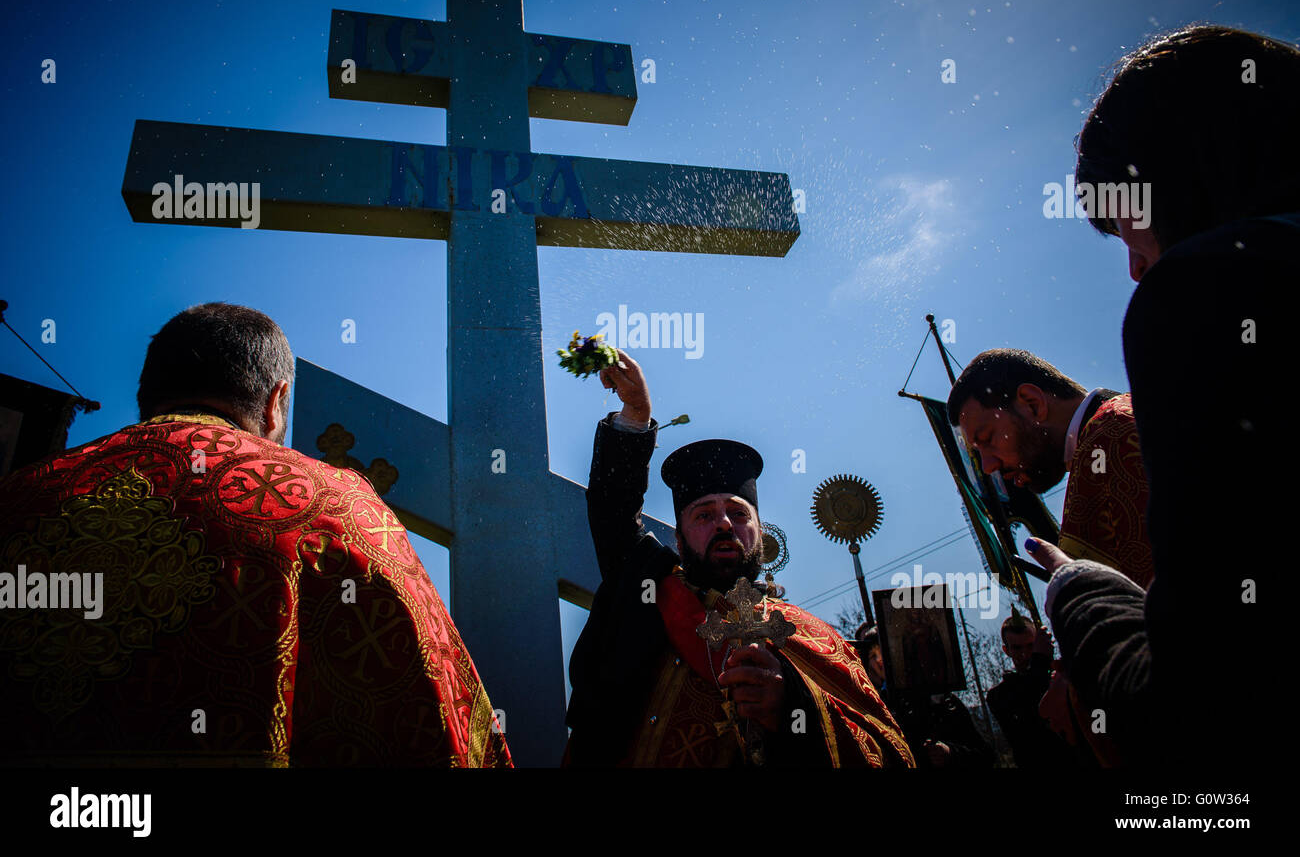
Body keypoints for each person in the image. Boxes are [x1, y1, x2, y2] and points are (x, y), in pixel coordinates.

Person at [0, 303, 510, 767]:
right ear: (276, 402)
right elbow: (434, 714)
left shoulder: (19, 496)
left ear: (146, 397)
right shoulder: (331, 504)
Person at [1030, 25, 1300, 769]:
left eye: (1126, 226)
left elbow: (1207, 716)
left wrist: (1078, 592)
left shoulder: (1219, 287)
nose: (1135, 267)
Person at [564, 352, 913, 767]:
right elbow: (612, 513)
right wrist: (636, 416)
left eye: (738, 512)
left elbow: (892, 752)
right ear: (678, 540)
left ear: (759, 534)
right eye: (704, 515)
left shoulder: (813, 639)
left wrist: (790, 709)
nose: (724, 524)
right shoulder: (646, 591)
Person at [947, 349, 1152, 587]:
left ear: (1032, 404)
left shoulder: (1111, 437)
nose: (989, 466)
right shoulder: (1114, 431)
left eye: (988, 438)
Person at [856, 626, 993, 769]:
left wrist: (950, 752)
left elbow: (984, 755)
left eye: (883, 651)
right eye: (873, 655)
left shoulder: (941, 700)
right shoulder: (875, 709)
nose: (879, 660)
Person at [985, 613, 1078, 768]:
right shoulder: (999, 696)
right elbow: (1029, 729)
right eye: (1017, 648)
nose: (1025, 654)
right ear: (1006, 650)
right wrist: (1040, 662)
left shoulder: (1062, 678)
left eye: (1031, 646)